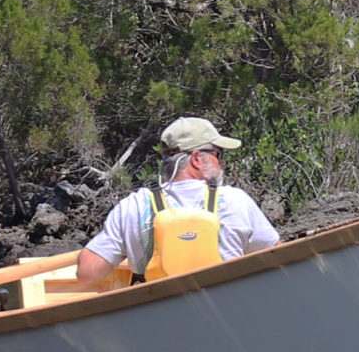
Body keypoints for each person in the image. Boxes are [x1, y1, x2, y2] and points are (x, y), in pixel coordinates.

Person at [75, 117, 279, 285]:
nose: (222, 162)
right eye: (218, 154)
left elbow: (87, 274)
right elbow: (278, 259)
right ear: (197, 158)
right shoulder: (236, 201)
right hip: (225, 312)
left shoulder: (132, 206)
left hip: (160, 316)